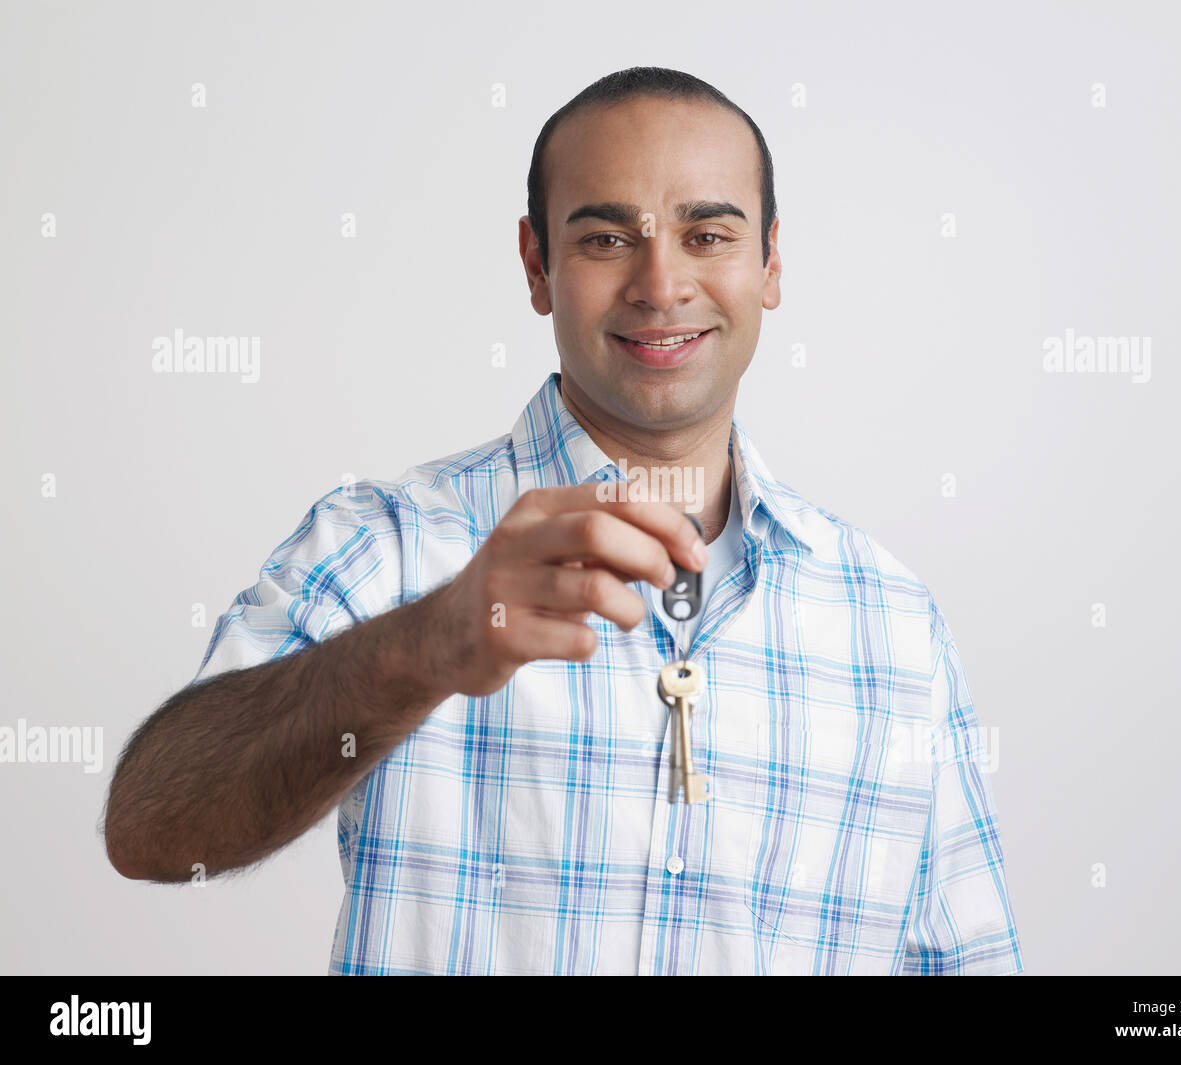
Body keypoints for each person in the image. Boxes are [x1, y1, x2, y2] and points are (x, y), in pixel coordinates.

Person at [103, 66, 1023, 976]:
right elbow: (152, 824)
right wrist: (429, 643)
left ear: (771, 262)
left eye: (708, 234)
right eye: (606, 240)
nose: (661, 285)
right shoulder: (386, 544)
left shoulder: (893, 623)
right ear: (537, 266)